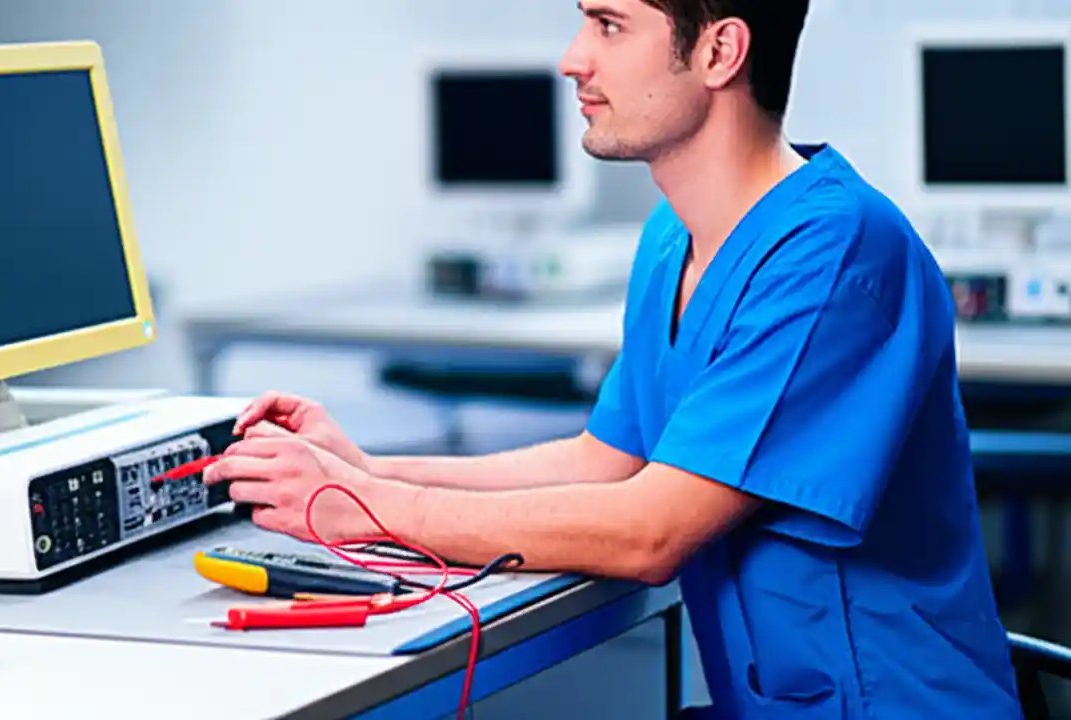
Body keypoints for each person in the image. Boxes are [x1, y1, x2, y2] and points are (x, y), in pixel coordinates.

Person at [204, 1, 1022, 717]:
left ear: (719, 52)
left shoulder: (834, 253)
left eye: (608, 25)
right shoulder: (673, 236)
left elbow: (650, 531)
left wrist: (368, 510)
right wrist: (367, 471)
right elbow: (606, 461)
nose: (573, 59)